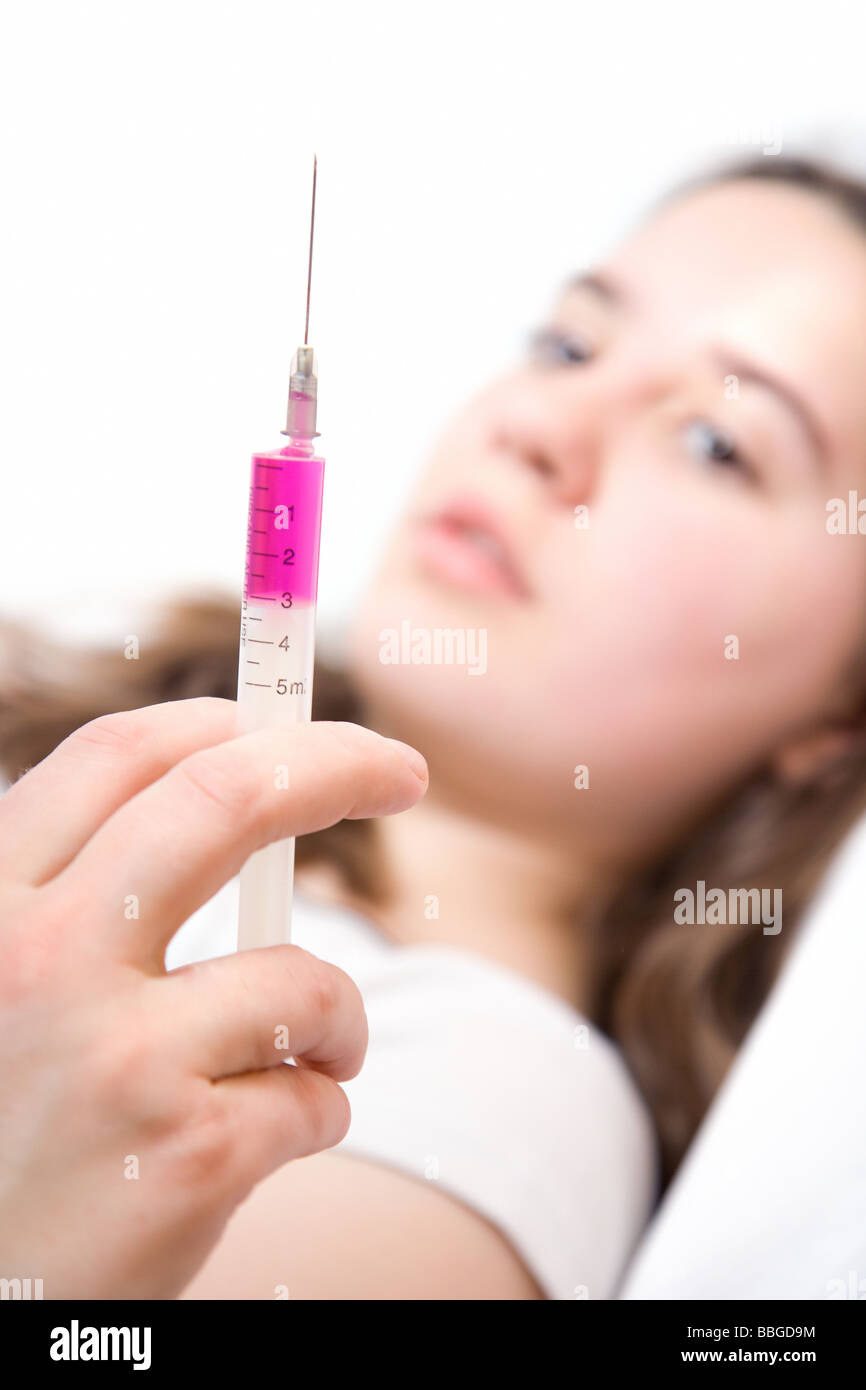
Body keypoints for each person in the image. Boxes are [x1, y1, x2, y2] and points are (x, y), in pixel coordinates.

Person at [3, 153, 866, 1299]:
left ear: (836, 721)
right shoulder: (107, 710)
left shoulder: (507, 1107)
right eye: (569, 344)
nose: (542, 425)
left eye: (715, 440)